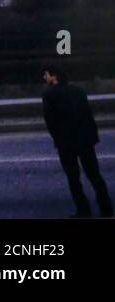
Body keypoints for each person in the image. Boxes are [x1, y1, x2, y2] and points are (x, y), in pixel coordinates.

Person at [42, 66, 112, 218]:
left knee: (73, 178)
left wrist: (57, 138)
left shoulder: (49, 94)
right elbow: (88, 114)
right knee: (94, 174)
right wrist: (92, 136)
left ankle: (83, 209)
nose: (45, 77)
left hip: (66, 142)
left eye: (46, 75)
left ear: (54, 77)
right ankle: (106, 207)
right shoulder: (78, 91)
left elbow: (50, 121)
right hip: (85, 139)